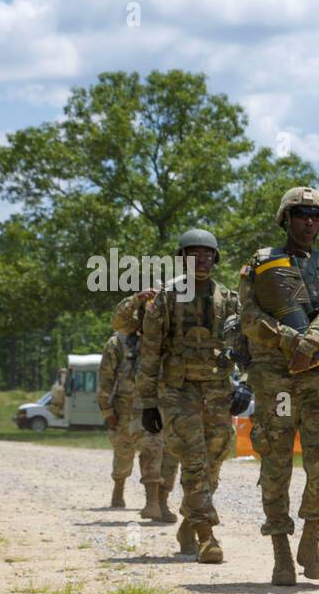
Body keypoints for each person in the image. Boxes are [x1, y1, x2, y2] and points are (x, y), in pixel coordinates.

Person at [238, 187, 319, 585]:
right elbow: (248, 316)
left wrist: (310, 344)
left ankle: (311, 540)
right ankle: (281, 552)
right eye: (300, 214)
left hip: (318, 377)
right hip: (276, 382)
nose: (308, 222)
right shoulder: (262, 262)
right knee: (276, 462)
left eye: (315, 216)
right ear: (285, 218)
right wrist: (288, 340)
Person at [137, 229, 241, 563]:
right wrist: (148, 402)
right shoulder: (166, 299)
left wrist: (246, 382)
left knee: (215, 459)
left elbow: (244, 345)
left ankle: (188, 522)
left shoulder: (228, 298)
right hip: (177, 391)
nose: (202, 259)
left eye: (208, 254)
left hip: (217, 391)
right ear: (182, 258)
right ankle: (207, 535)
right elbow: (150, 351)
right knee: (195, 460)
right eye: (195, 253)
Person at [113, 290, 178, 524]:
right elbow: (118, 319)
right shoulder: (134, 333)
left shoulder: (173, 330)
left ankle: (163, 501)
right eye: (148, 308)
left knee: (171, 451)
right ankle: (151, 501)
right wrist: (136, 299)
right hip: (144, 398)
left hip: (173, 395)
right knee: (151, 445)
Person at [97, 330, 151, 506]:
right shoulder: (117, 342)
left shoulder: (158, 337)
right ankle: (118, 489)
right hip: (124, 407)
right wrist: (107, 411)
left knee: (153, 451)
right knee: (123, 451)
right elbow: (105, 379)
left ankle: (153, 500)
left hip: (151, 406)